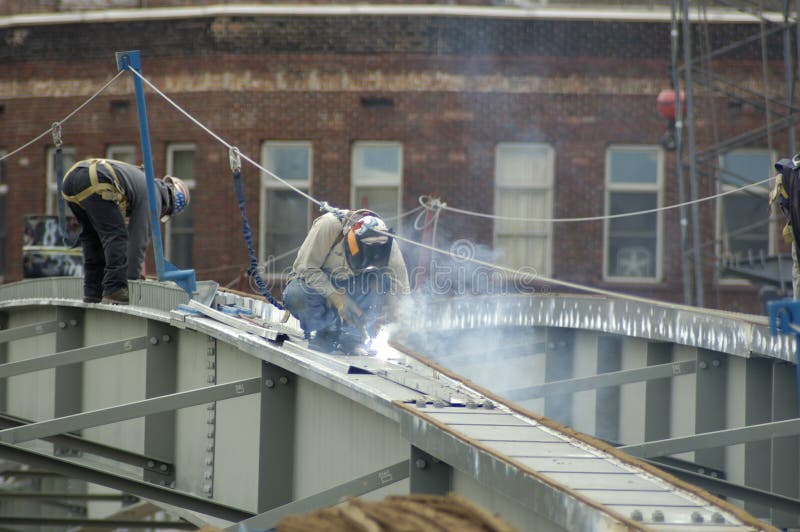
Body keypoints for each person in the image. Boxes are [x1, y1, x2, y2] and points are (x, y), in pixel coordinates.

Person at [61, 158, 190, 305]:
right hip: (95, 180)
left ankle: (93, 292)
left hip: (71, 180)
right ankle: (115, 289)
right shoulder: (154, 195)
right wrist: (131, 281)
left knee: (93, 239)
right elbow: (138, 239)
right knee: (117, 236)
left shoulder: (141, 181)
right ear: (170, 206)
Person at [283, 209, 410, 355]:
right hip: (316, 288)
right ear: (352, 242)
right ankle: (325, 332)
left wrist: (399, 327)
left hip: (355, 288)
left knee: (379, 280)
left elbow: (401, 289)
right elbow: (305, 267)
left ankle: (353, 336)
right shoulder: (328, 225)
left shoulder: (388, 245)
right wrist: (337, 298)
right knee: (296, 294)